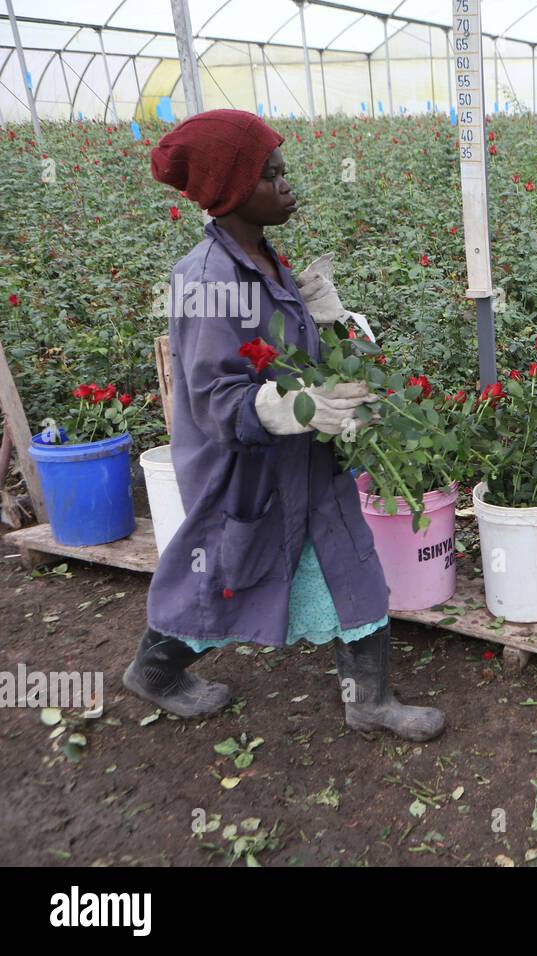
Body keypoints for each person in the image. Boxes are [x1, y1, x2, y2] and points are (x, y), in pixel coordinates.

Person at [122, 109, 444, 741]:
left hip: (306, 463)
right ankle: (154, 672)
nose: (288, 185)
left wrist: (319, 321)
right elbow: (215, 399)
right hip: (248, 475)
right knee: (221, 575)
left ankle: (369, 700)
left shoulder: (264, 259)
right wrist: (288, 408)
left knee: (354, 568)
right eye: (273, 176)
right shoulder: (207, 280)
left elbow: (284, 352)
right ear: (235, 191)